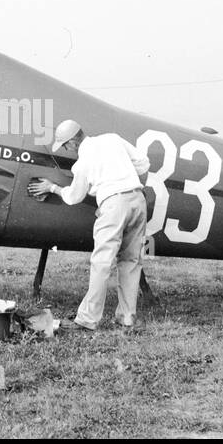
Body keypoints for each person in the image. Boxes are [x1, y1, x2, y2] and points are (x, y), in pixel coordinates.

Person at [27, 120, 150, 330]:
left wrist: (53, 187)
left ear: (74, 141)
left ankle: (87, 320)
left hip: (113, 204)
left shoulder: (83, 161)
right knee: (131, 260)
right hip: (138, 199)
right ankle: (127, 318)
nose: (68, 150)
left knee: (102, 262)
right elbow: (143, 164)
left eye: (66, 145)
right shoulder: (112, 138)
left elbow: (74, 197)